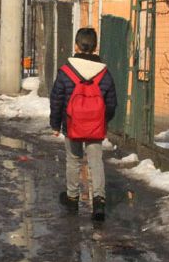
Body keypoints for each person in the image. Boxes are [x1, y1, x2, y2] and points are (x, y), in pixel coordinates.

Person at [50, 27, 118, 221]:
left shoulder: (65, 72)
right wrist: (102, 121)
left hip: (72, 125)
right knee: (96, 162)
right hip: (96, 127)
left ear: (76, 46)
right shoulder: (104, 73)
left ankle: (72, 198)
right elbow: (111, 103)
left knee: (73, 160)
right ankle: (99, 201)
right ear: (95, 47)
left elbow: (57, 100)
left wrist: (55, 124)